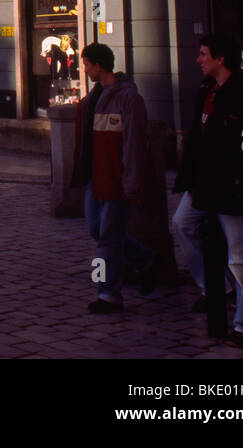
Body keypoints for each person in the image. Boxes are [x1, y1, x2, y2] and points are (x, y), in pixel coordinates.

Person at [171, 33, 243, 347]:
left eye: (203, 54)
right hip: (205, 183)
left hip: (235, 191)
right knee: (182, 224)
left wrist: (242, 181)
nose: (198, 60)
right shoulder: (208, 90)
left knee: (242, 257)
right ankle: (216, 287)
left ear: (221, 59)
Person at [71, 43, 157, 314]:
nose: (84, 69)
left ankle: (108, 293)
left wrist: (132, 182)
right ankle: (145, 259)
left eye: (86, 64)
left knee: (107, 237)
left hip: (115, 178)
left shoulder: (127, 97)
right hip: (95, 177)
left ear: (98, 65)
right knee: (97, 229)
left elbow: (133, 143)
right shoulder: (93, 97)